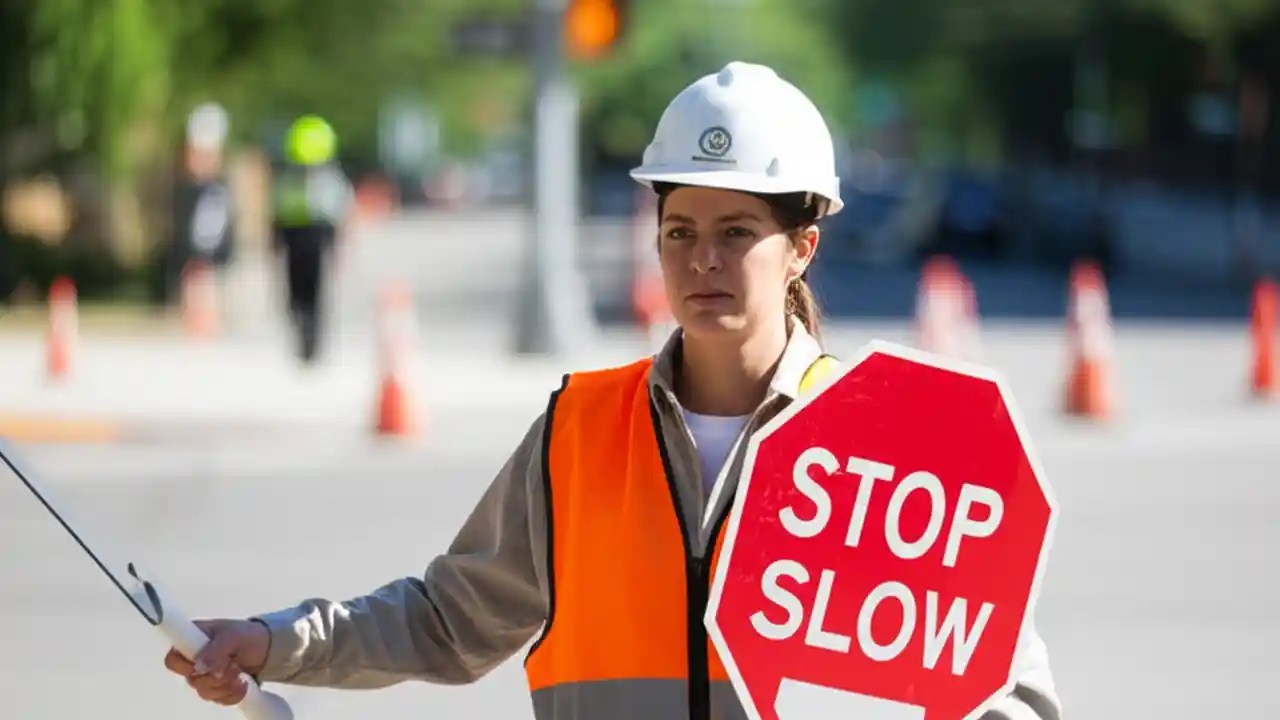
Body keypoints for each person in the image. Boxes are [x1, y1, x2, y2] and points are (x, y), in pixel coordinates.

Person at [165, 62, 1061, 720]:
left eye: (738, 230)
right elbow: (447, 619)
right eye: (679, 231)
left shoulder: (894, 447)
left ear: (802, 246)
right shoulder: (579, 429)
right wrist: (276, 641)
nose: (702, 260)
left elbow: (1006, 686)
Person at [271, 114, 354, 364]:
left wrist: (342, 247)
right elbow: (276, 211)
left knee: (313, 292)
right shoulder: (289, 179)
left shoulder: (328, 179)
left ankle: (312, 338)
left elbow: (342, 214)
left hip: (315, 235)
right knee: (296, 293)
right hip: (296, 236)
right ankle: (303, 332)